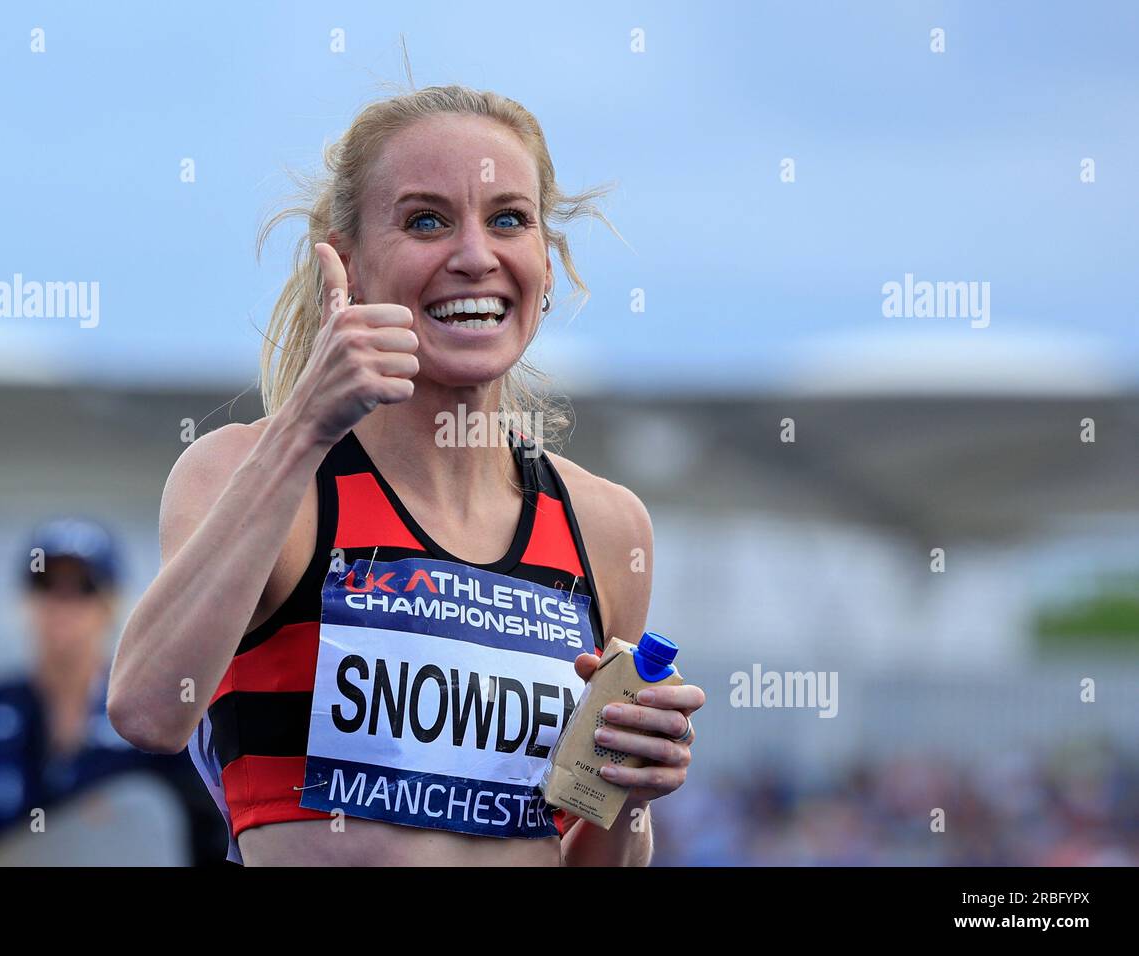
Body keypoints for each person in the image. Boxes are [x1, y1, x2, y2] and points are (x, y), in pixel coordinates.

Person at [108, 83, 706, 866]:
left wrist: (631, 790)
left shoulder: (604, 524)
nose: (473, 255)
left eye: (508, 219)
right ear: (347, 262)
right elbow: (149, 712)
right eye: (426, 220)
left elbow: (589, 854)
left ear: (548, 267)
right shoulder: (252, 470)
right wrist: (303, 430)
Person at [0, 518, 226, 865]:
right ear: (26, 603)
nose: (62, 605)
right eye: (47, 586)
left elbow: (202, 830)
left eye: (82, 588)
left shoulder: (155, 713)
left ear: (110, 606)